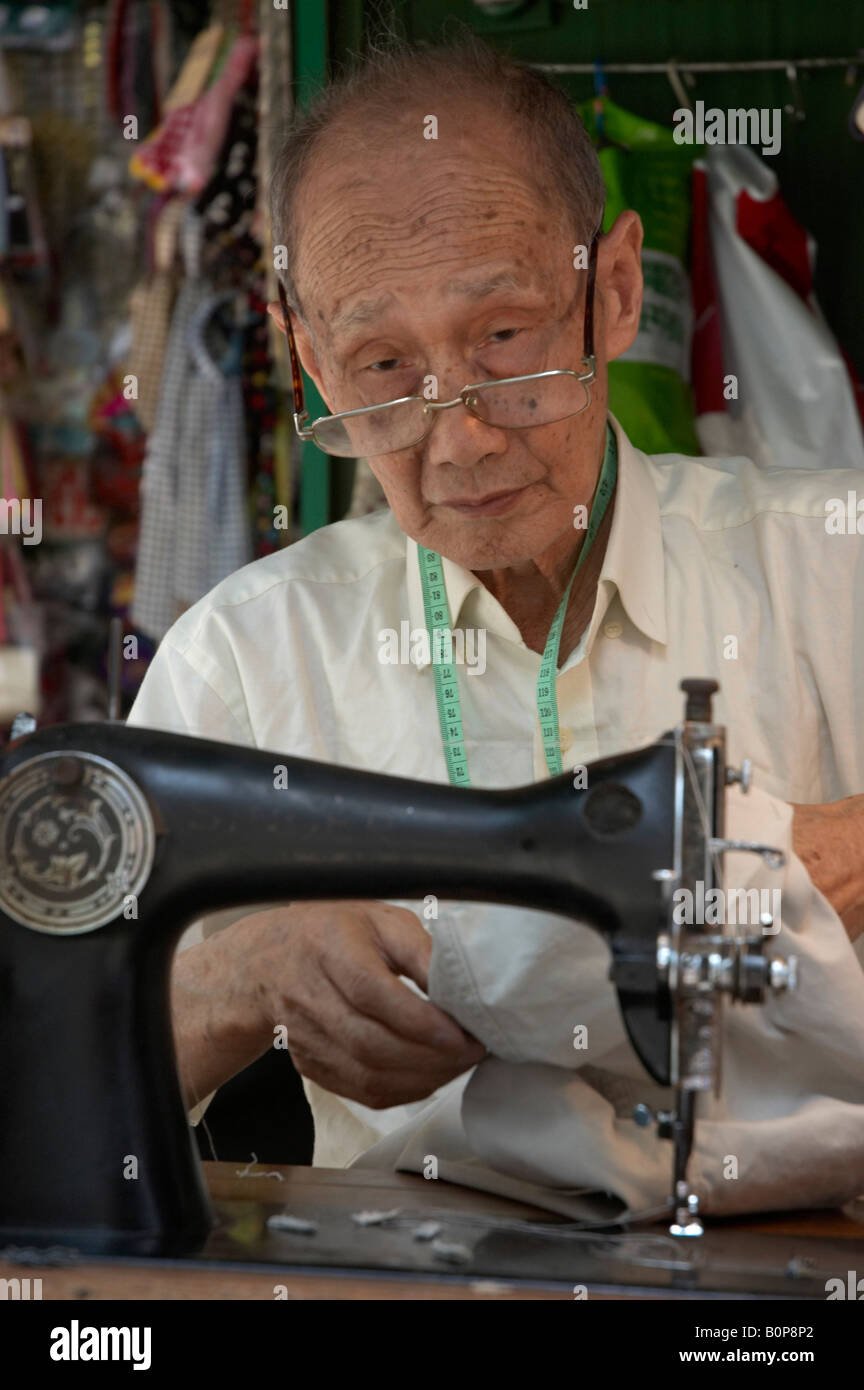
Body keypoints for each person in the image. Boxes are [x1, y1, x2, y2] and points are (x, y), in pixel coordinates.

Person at [128, 37, 864, 1212]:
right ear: (310, 359)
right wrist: (236, 982)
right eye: (380, 365)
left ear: (613, 292)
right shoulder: (248, 660)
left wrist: (827, 856)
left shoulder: (833, 565)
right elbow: (51, 1073)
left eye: (505, 340)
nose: (458, 439)